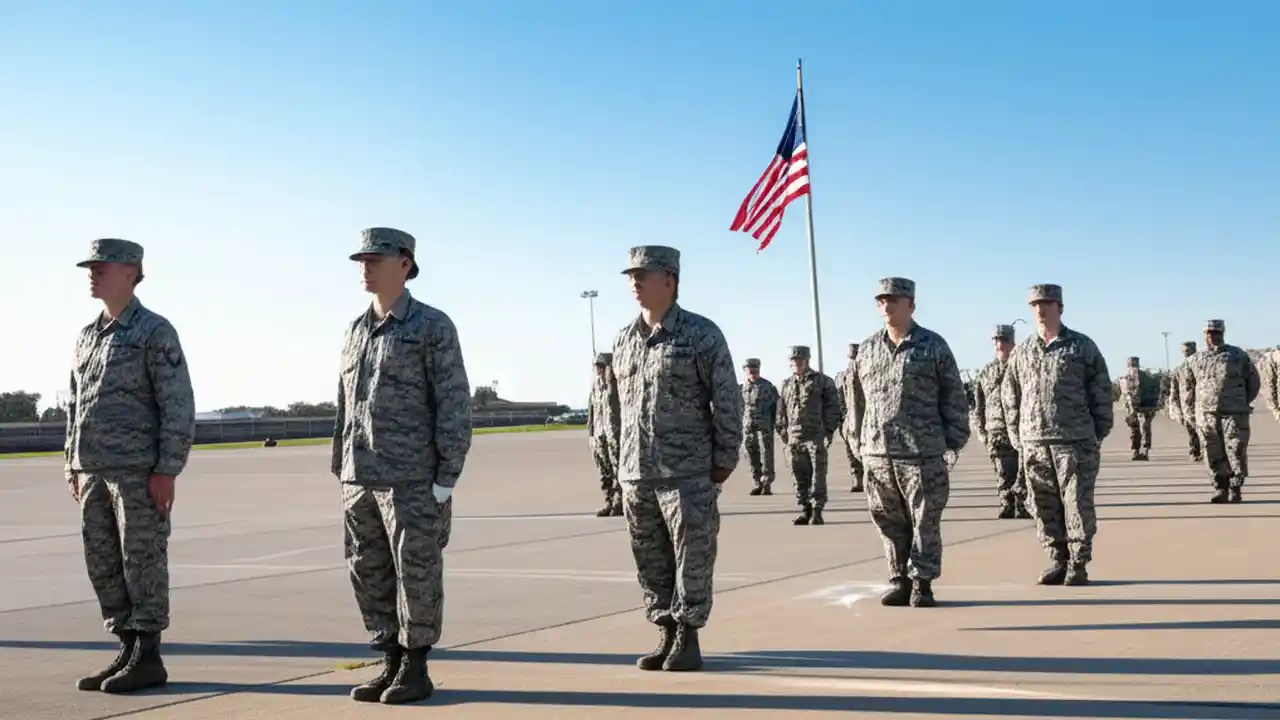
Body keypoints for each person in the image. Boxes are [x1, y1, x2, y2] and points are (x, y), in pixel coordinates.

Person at [333, 227, 473, 704]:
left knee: (416, 574)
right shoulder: (356, 329)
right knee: (367, 570)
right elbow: (344, 405)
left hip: (412, 478)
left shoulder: (432, 326)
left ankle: (415, 667)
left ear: (405, 264)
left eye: (375, 259)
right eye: (362, 260)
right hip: (361, 476)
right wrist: (341, 466)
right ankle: (389, 658)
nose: (365, 267)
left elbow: (454, 403)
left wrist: (445, 478)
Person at [66, 238, 195, 693]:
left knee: (142, 562)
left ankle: (148, 654)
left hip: (138, 473)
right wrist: (72, 464)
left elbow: (177, 405)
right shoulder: (88, 335)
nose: (92, 273)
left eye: (102, 267)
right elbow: (75, 404)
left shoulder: (154, 331)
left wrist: (167, 469)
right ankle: (126, 645)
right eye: (91, 267)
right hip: (94, 471)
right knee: (103, 563)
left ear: (132, 271)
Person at [611, 245, 742, 672]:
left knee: (692, 556)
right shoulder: (625, 339)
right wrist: (618, 462)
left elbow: (726, 400)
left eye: (642, 274)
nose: (634, 282)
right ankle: (664, 630)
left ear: (668, 278)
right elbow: (616, 407)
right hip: (637, 472)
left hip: (686, 471)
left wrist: (724, 457)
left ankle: (688, 635)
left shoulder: (701, 334)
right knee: (649, 558)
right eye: (630, 275)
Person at [851, 277, 969, 607]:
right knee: (888, 522)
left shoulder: (932, 346)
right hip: (878, 452)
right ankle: (900, 578)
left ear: (911, 305)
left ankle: (923, 581)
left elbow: (954, 398)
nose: (886, 306)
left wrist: (952, 443)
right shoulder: (869, 348)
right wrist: (859, 442)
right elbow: (857, 400)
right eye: (881, 301)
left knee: (925, 521)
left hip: (922, 452)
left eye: (894, 300)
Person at [1001, 284, 1111, 586]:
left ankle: (1078, 561)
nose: (1041, 308)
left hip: (1073, 440)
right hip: (1034, 442)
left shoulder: (1080, 346)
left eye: (1047, 302)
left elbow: (1100, 389)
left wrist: (1097, 431)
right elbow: (1010, 396)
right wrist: (1017, 436)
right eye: (1035, 304)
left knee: (1077, 503)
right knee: (1042, 503)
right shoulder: (1022, 352)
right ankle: (1057, 558)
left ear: (1059, 307)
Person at [1182, 319, 1260, 504]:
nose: (1213, 337)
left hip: (1234, 412)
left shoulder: (1238, 356)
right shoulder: (1195, 360)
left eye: (1216, 333)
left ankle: (1235, 487)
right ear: (1204, 337)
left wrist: (1242, 402)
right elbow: (1187, 388)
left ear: (1223, 334)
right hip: (1206, 415)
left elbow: (1253, 382)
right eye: (1209, 334)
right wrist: (1190, 414)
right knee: (1212, 452)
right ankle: (1220, 488)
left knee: (1236, 449)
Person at [776, 345, 842, 525]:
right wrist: (782, 431)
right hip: (794, 438)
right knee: (798, 476)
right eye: (794, 361)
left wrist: (828, 430)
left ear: (807, 360)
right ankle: (805, 508)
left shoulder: (822, 381)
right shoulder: (786, 384)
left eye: (800, 360)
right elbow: (781, 410)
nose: (797, 364)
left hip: (815, 436)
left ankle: (818, 510)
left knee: (818, 476)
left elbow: (834, 407)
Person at [971, 325, 1030, 519]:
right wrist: (982, 433)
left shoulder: (1023, 367)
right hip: (996, 430)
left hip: (1021, 428)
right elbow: (978, 406)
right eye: (997, 341)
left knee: (1024, 470)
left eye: (1004, 340)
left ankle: (1022, 505)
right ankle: (1006, 503)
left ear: (1012, 343)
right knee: (1003, 471)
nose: (1000, 344)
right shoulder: (986, 372)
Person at [587, 352, 622, 516]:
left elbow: (614, 397)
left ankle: (619, 502)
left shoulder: (613, 384)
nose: (598, 370)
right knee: (604, 470)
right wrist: (591, 433)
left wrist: (610, 373)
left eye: (602, 366)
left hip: (614, 433)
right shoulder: (595, 386)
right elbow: (591, 411)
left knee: (617, 469)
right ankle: (608, 500)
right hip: (600, 434)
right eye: (597, 367)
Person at [740, 358, 779, 496]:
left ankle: (767, 483)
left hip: (764, 426)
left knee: (766, 455)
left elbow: (776, 407)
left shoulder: (767, 387)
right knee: (751, 454)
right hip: (748, 427)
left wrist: (776, 424)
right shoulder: (742, 388)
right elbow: (740, 407)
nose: (753, 373)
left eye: (755, 371)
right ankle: (757, 482)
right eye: (750, 371)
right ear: (745, 371)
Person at [834, 343, 866, 493]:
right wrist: (842, 420)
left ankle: (871, 479)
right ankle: (857, 479)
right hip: (849, 420)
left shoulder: (868, 374)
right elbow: (838, 399)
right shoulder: (841, 376)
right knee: (851, 452)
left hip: (867, 419)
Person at [1166, 341, 1203, 462]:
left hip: (1202, 404)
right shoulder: (1179, 369)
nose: (1188, 353)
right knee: (1192, 431)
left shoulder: (1202, 365)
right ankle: (1195, 451)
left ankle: (1205, 452)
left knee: (1205, 431)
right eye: (1186, 351)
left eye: (1190, 351)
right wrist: (1175, 408)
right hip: (1187, 405)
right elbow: (1174, 390)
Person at [1120, 357, 1161, 461]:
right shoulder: (1145, 376)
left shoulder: (1125, 377)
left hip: (1135, 408)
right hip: (1144, 407)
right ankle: (1144, 452)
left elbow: (1126, 394)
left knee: (1136, 429)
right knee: (1145, 429)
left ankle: (1136, 451)